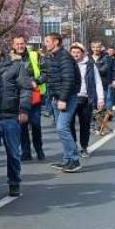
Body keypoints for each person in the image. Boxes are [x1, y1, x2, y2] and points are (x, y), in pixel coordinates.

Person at [0, 43, 32, 200]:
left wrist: (24, 109)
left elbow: (25, 89)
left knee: (13, 153)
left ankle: (14, 184)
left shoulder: (16, 66)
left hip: (11, 116)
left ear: (0, 52)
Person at [40, 32, 81, 173]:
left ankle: (74, 159)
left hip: (67, 98)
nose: (45, 44)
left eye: (47, 41)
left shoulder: (64, 57)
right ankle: (67, 159)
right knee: (62, 128)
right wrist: (36, 81)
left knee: (62, 128)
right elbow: (47, 74)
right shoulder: (51, 56)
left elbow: (69, 79)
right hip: (56, 97)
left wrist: (63, 99)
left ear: (56, 42)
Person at [11, 37, 46, 162]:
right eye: (17, 44)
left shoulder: (34, 55)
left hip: (34, 95)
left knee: (35, 124)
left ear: (25, 44)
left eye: (22, 43)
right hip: (17, 97)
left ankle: (39, 150)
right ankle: (25, 152)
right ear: (13, 45)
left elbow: (45, 72)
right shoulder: (9, 58)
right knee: (22, 125)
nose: (20, 46)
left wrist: (37, 81)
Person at [69, 44, 105, 158]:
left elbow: (98, 82)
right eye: (73, 52)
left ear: (83, 54)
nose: (75, 54)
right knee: (69, 124)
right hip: (71, 98)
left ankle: (84, 147)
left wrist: (100, 99)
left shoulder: (90, 65)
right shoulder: (67, 65)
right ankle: (73, 145)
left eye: (78, 52)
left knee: (85, 125)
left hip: (85, 98)